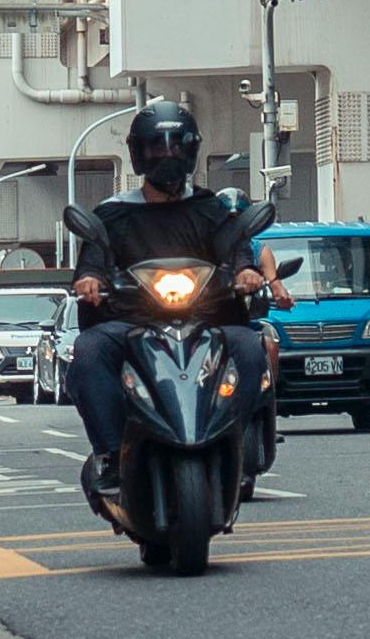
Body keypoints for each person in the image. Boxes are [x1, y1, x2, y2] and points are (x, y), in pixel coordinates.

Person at [65, 97, 279, 505]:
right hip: (131, 321)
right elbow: (93, 261)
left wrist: (246, 273)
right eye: (157, 147)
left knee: (251, 349)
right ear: (138, 154)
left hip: (205, 317)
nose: (167, 155)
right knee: (88, 350)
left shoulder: (209, 208)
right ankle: (110, 454)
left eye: (176, 146)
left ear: (190, 152)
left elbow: (234, 250)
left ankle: (231, 440)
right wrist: (90, 280)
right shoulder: (113, 213)